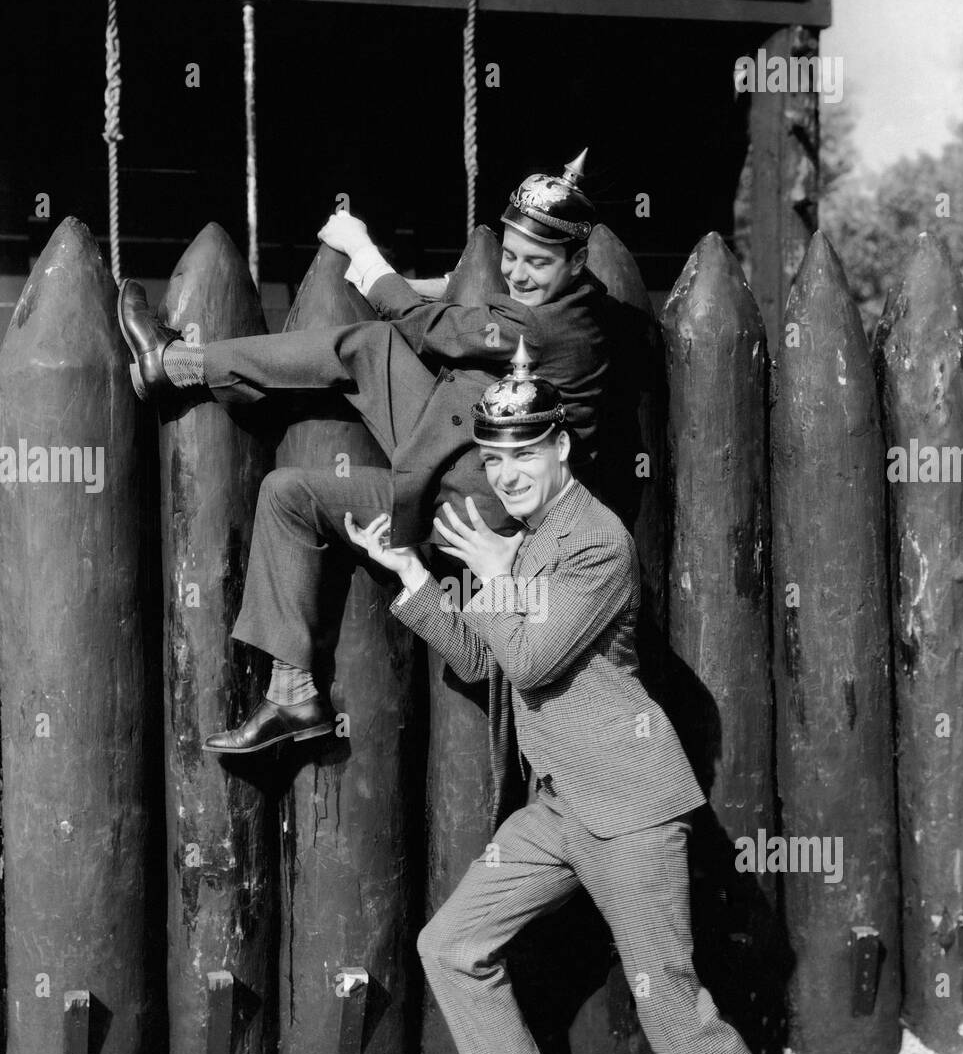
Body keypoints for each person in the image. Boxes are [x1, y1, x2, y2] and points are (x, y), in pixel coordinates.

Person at [345, 344, 829, 1054]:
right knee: (449, 944)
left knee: (669, 1003)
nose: (507, 471)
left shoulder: (599, 542)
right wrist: (412, 579)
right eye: (494, 457)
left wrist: (493, 572)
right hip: (561, 804)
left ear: (561, 449)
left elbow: (529, 653)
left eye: (524, 453)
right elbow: (488, 660)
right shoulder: (523, 540)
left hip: (633, 809)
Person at [116, 152, 610, 754]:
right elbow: (473, 311)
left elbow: (435, 328)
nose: (519, 274)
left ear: (577, 259)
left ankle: (177, 365)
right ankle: (292, 692)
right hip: (461, 462)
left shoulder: (547, 328)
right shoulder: (578, 300)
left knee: (373, 346)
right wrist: (419, 289)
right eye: (509, 256)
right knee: (287, 492)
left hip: (479, 497)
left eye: (538, 262)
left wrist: (365, 254)